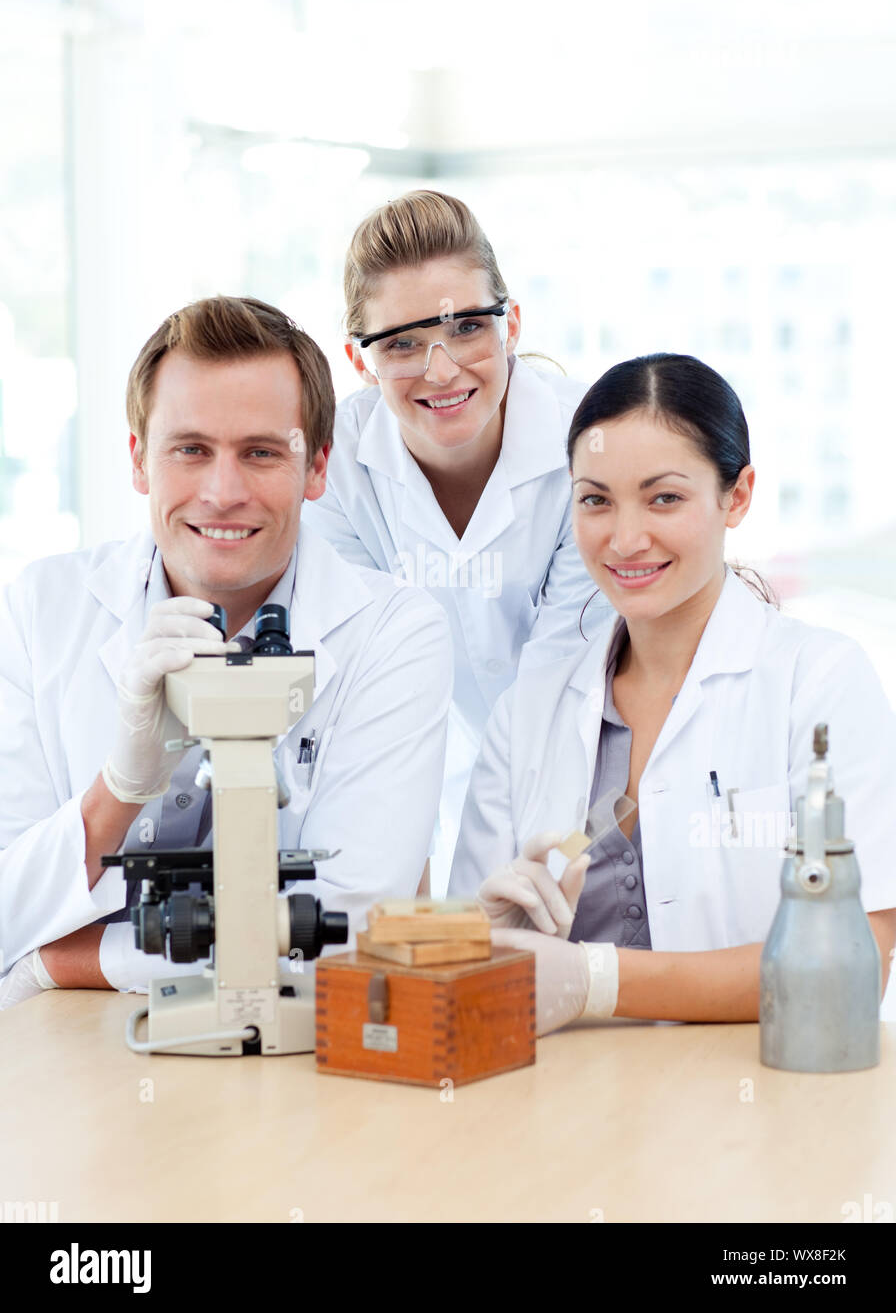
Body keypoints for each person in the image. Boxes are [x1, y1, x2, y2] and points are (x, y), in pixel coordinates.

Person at [0, 295, 452, 1008]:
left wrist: (65, 961)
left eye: (262, 452)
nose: (223, 492)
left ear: (317, 469)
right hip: (66, 1072)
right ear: (138, 460)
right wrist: (119, 790)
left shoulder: (395, 633)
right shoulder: (39, 611)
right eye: (190, 450)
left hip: (292, 1070)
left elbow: (356, 936)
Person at [448, 353, 896, 1034]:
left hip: (760, 1120)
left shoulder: (820, 683)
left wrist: (594, 978)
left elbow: (849, 965)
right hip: (561, 1114)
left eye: (665, 498)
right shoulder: (529, 711)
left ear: (736, 496)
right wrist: (482, 942)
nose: (626, 539)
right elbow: (463, 979)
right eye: (595, 499)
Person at [302, 190, 609, 877]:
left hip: (579, 778)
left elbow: (556, 685)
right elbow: (366, 686)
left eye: (468, 327)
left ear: (512, 325)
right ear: (359, 360)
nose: (441, 370)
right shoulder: (335, 470)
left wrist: (487, 899)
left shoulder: (589, 445)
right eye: (403, 342)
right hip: (414, 786)